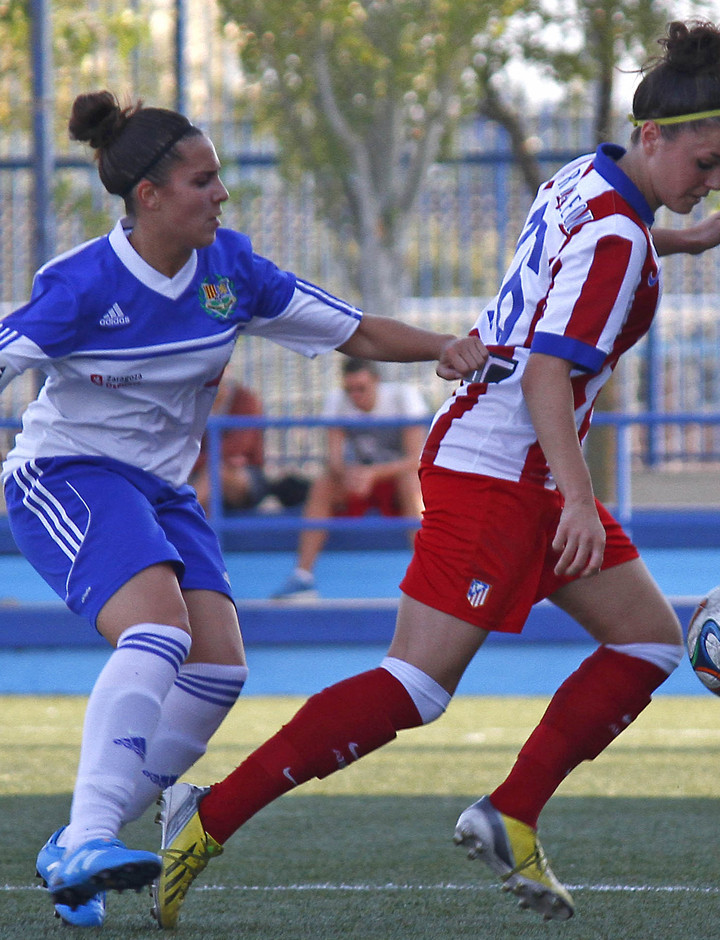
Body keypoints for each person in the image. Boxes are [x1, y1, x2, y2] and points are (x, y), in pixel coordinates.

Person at [154, 19, 720, 927]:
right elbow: (554, 368)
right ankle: (206, 817)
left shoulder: (586, 181)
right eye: (705, 164)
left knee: (647, 639)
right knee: (416, 686)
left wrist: (691, 236)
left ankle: (512, 811)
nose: (712, 180)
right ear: (653, 137)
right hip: (503, 472)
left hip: (514, 463)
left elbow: (601, 247)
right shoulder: (619, 239)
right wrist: (583, 500)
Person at [2, 90, 487, 928]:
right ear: (149, 196)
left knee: (219, 667)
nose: (221, 194)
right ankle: (85, 835)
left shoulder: (231, 271)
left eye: (220, 178)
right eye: (203, 180)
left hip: (159, 488)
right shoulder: (82, 283)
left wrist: (443, 348)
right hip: (68, 472)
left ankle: (78, 843)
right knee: (158, 632)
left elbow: (354, 332)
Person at [272, 356, 428, 600]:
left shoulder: (403, 397)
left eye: (361, 388)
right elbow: (333, 460)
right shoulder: (337, 401)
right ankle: (302, 576)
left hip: (396, 479)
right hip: (360, 479)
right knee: (323, 486)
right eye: (350, 389)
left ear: (377, 381)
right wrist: (350, 475)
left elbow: (416, 459)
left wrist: (373, 474)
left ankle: (426, 574)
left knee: (412, 484)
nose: (355, 395)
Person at [189, 375, 269, 513]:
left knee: (216, 472)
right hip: (199, 473)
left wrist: (198, 460)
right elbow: (182, 447)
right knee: (211, 478)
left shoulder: (245, 399)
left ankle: (185, 515)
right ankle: (191, 520)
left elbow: (241, 444)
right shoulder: (191, 401)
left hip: (246, 474)